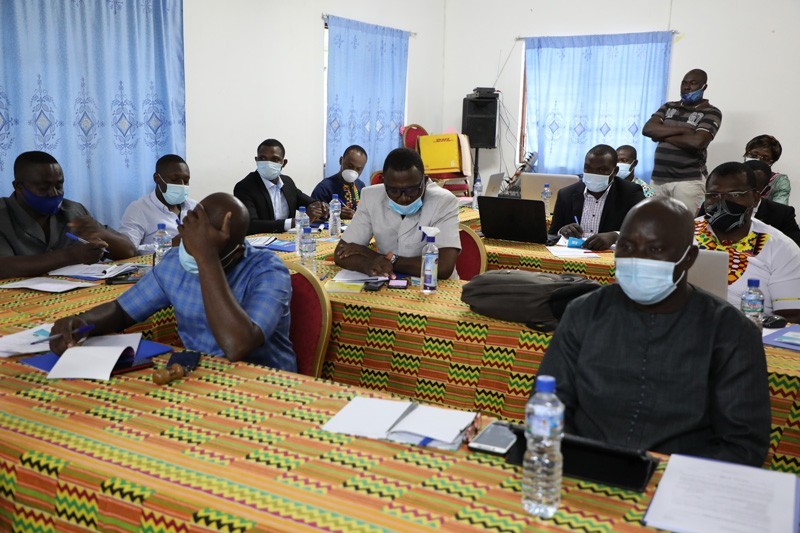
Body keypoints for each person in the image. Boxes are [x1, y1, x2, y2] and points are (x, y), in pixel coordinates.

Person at [538, 196, 770, 467]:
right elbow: (551, 403)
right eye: (626, 246)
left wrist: (670, 482)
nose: (636, 259)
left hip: (680, 485)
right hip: (586, 469)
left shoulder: (731, 332)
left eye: (655, 249)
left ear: (688, 258)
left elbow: (743, 445)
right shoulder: (585, 312)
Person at [49, 193, 296, 370]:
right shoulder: (176, 262)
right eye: (189, 237)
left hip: (263, 382)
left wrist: (206, 259)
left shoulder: (268, 271)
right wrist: (81, 322)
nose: (190, 250)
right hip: (200, 378)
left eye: (203, 244)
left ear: (237, 251)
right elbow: (122, 311)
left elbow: (237, 345)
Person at [0, 151, 136, 278]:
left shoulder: (72, 210)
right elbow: (4, 267)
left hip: (74, 296)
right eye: (43, 188)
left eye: (59, 186)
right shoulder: (3, 215)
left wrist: (98, 232)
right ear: (18, 187)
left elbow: (129, 252)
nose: (54, 193)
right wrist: (71, 256)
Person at [695, 162, 800, 321]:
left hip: (751, 335)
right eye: (713, 195)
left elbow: (791, 316)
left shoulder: (781, 248)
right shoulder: (682, 232)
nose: (723, 202)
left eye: (735, 194)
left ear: (755, 198)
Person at [334, 147, 461, 279]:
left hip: (434, 287)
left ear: (424, 180)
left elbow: (443, 267)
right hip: (387, 283)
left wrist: (379, 257)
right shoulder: (371, 196)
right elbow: (340, 253)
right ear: (384, 183)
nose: (403, 198)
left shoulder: (444, 201)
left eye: (411, 190)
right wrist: (368, 264)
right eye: (393, 191)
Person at [643, 69, 722, 215]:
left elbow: (697, 142)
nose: (687, 87)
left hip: (688, 181)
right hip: (658, 178)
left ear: (704, 87)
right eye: (684, 83)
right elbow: (647, 129)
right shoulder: (668, 106)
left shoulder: (712, 112)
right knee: (654, 223)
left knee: (686, 226)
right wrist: (685, 131)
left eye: (693, 83)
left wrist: (661, 134)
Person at [550, 144, 645, 250]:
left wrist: (615, 236)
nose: (593, 174)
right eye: (588, 168)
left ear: (615, 171)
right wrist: (562, 231)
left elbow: (645, 231)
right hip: (573, 258)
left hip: (610, 259)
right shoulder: (566, 194)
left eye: (602, 170)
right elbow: (552, 234)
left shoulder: (630, 193)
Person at [233, 139, 328, 234]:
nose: (268, 163)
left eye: (274, 159)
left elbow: (310, 203)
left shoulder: (287, 182)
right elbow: (251, 225)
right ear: (256, 160)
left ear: (284, 162)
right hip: (260, 244)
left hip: (288, 240)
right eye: (262, 158)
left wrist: (322, 209)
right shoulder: (244, 187)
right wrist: (293, 222)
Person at [119, 154, 197, 255]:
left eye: (186, 181)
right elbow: (129, 250)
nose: (181, 185)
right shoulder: (139, 209)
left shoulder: (194, 207)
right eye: (174, 179)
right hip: (159, 268)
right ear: (157, 178)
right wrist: (169, 244)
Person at [311, 145, 367, 219]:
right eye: (350, 166)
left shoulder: (361, 186)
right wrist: (335, 214)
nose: (353, 171)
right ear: (341, 161)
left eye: (358, 169)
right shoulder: (324, 188)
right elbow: (313, 217)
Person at [744, 134, 790, 205]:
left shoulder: (779, 181)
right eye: (753, 155)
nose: (758, 160)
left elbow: (779, 209)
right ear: (746, 153)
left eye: (765, 158)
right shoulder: (732, 175)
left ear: (772, 162)